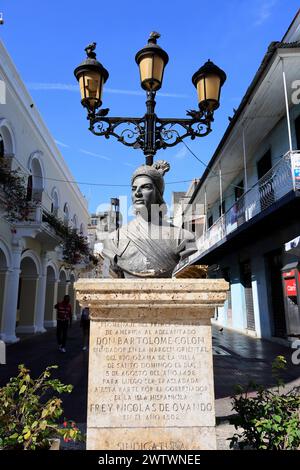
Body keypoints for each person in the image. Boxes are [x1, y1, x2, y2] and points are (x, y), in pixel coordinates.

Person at [102, 160, 197, 278]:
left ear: (158, 193)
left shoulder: (183, 238)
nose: (137, 193)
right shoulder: (114, 239)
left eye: (145, 187)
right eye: (133, 189)